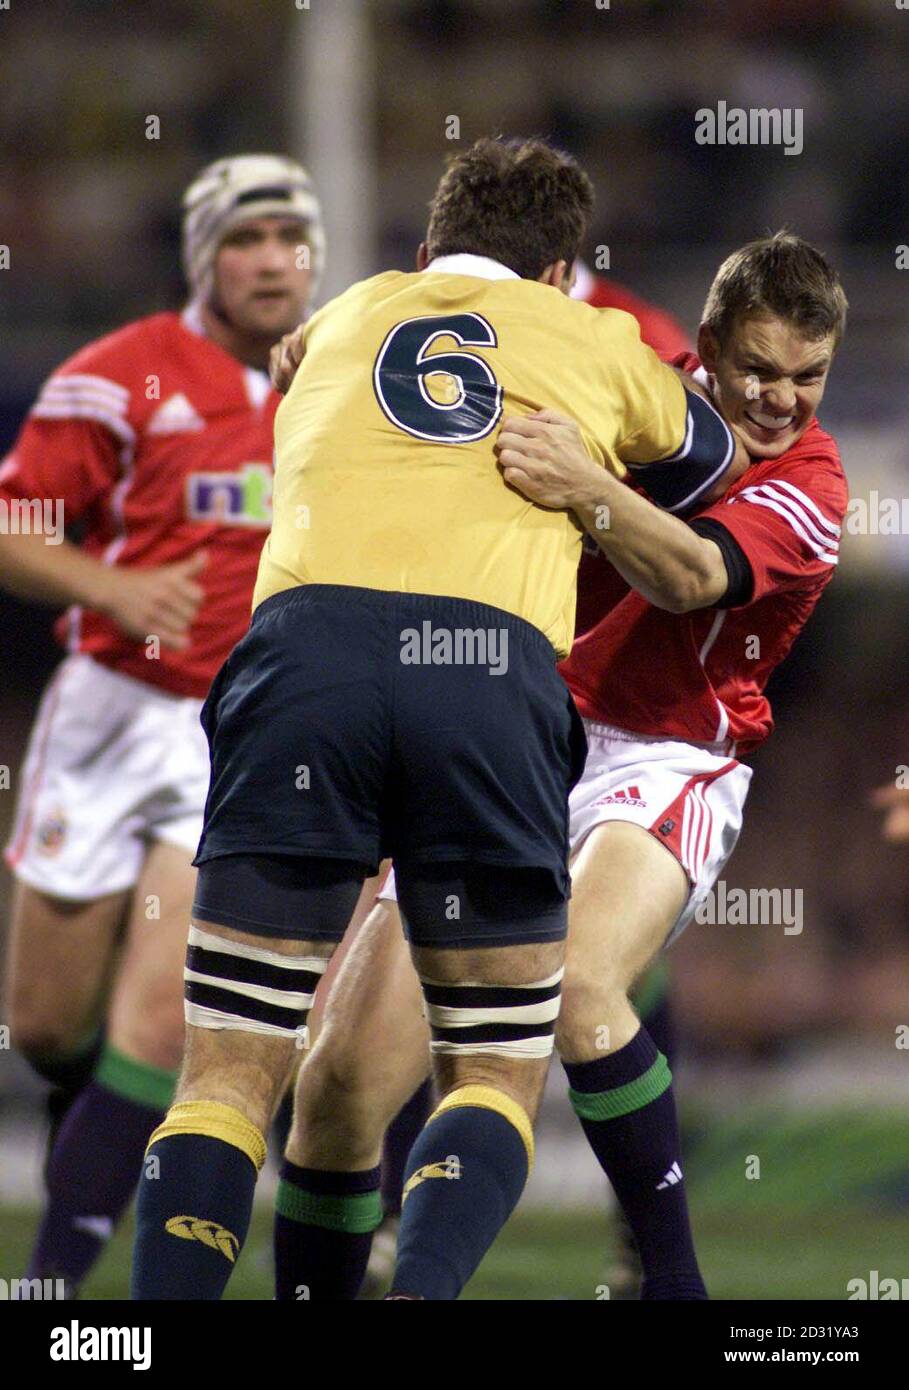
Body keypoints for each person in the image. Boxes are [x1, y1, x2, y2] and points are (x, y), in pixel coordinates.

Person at [129, 135, 741, 1301]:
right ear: (563, 267)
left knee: (227, 1075)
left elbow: (309, 425)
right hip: (484, 672)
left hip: (304, 658)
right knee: (492, 1072)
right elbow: (709, 463)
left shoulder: (350, 313)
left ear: (424, 249)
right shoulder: (597, 338)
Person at [273, 231, 848, 1300]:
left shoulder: (812, 482)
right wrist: (335, 337)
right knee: (343, 1078)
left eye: (808, 376)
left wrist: (586, 484)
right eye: (760, 370)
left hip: (675, 756)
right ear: (709, 344)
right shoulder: (629, 380)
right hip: (521, 731)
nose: (781, 400)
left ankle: (672, 1282)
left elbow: (688, 575)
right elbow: (480, 332)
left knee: (575, 985)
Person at [0, 153, 324, 1296]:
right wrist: (110, 587)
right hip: (105, 713)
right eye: (248, 239)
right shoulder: (119, 377)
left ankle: (51, 1289)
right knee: (42, 1023)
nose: (274, 260)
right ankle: (84, 1120)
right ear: (205, 258)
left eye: (292, 237)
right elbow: (12, 524)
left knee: (158, 1017)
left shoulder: (343, 381)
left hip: (234, 732)